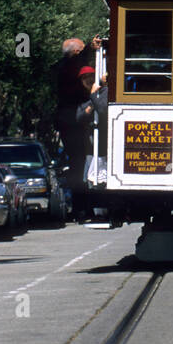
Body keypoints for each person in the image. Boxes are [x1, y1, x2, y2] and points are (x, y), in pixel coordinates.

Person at [55, 36, 100, 217]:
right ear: (76, 53)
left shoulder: (61, 67)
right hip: (74, 119)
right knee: (81, 163)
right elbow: (76, 64)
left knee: (80, 163)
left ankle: (82, 206)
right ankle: (83, 206)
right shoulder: (68, 68)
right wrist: (90, 48)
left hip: (69, 119)